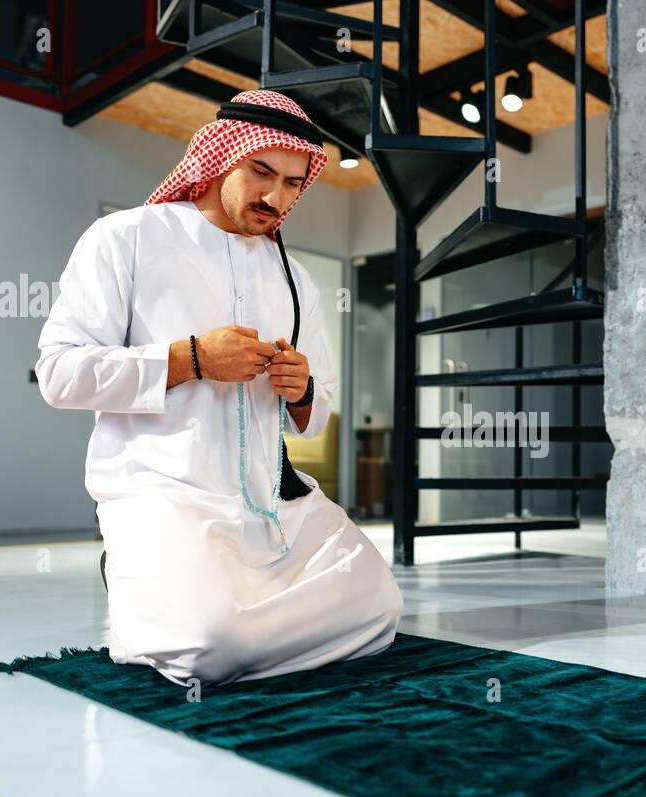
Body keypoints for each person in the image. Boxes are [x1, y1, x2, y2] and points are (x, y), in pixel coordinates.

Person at [35, 89, 402, 687]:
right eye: (261, 172)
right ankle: (164, 591)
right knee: (209, 644)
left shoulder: (296, 278)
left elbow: (321, 402)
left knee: (379, 608)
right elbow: (60, 372)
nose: (275, 197)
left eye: (291, 183)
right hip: (166, 495)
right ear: (216, 158)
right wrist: (191, 359)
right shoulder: (123, 238)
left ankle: (210, 619)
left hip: (274, 505)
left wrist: (302, 389)